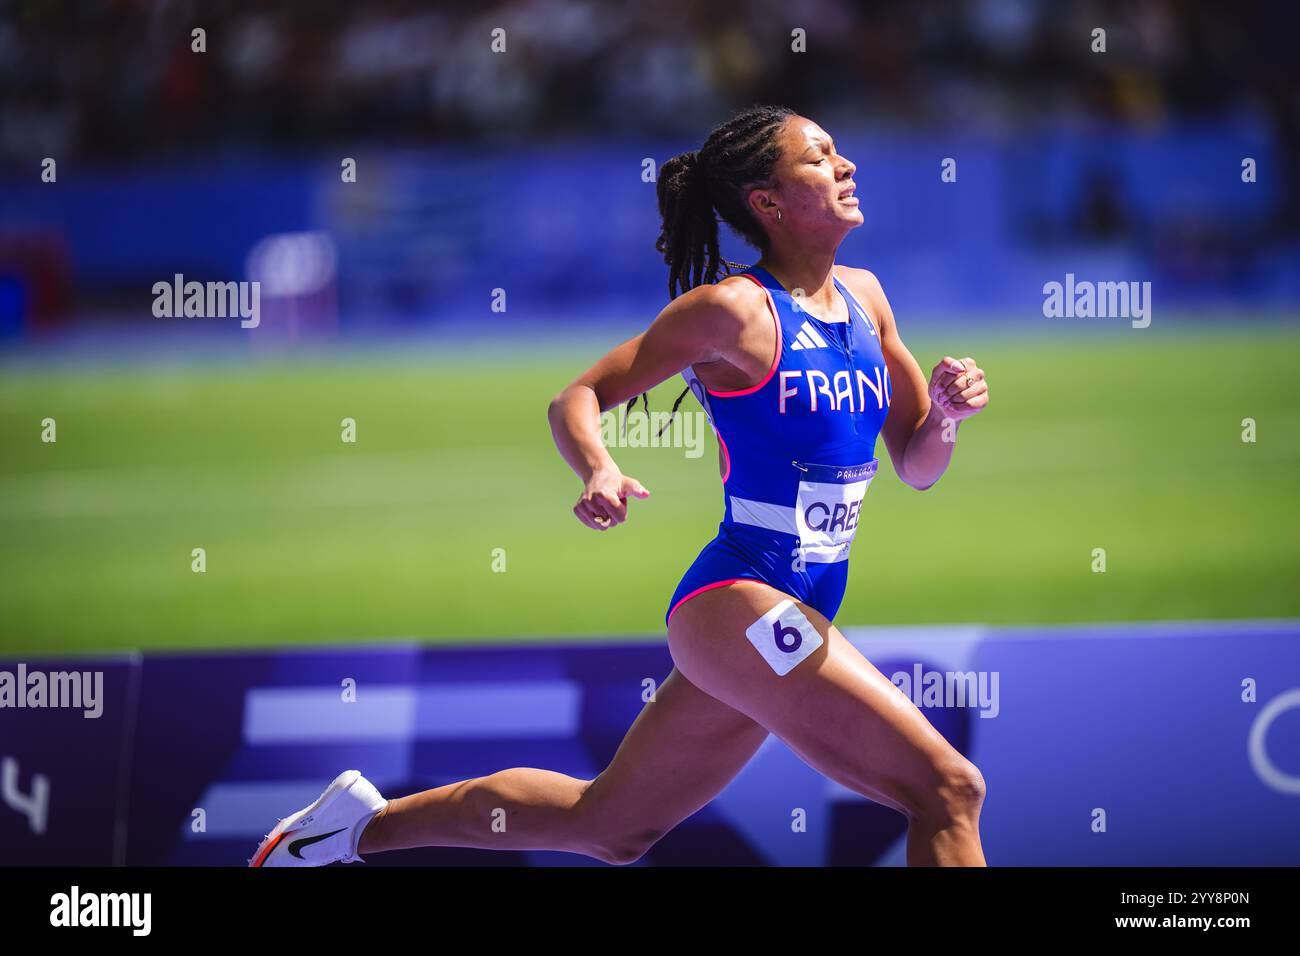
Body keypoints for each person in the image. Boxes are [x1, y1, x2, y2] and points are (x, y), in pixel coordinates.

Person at [250, 104, 990, 868]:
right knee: (947, 789)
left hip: (801, 603)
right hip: (739, 601)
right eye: (820, 158)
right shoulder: (731, 311)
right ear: (768, 203)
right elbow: (576, 396)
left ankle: (357, 826)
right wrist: (598, 466)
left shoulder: (868, 300)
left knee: (610, 826)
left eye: (839, 152)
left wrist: (944, 414)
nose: (846, 166)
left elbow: (917, 465)